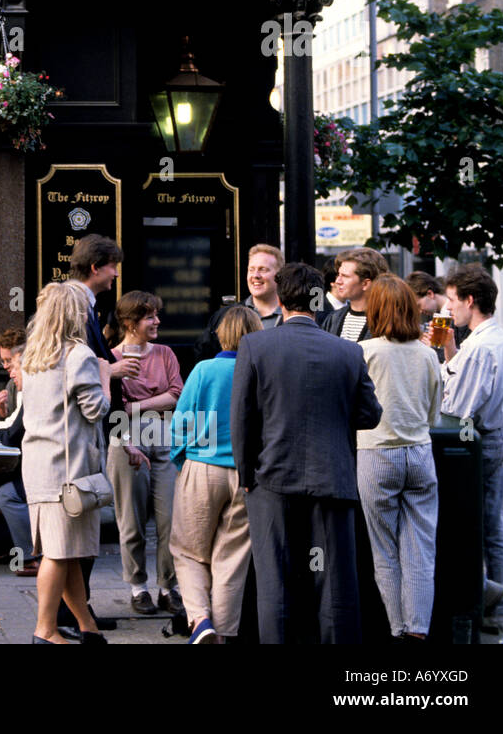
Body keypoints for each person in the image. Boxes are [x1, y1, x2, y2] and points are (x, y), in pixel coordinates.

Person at [231, 262, 382, 644]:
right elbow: (370, 414)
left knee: (275, 583)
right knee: (334, 585)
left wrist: (246, 475)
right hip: (332, 477)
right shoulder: (348, 352)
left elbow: (242, 418)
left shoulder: (256, 345)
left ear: (280, 298)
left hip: (270, 479)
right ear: (318, 299)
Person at [21, 280, 110, 644]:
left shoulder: (32, 357)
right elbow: (95, 409)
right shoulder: (79, 356)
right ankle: (45, 631)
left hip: (39, 466)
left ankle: (88, 627)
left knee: (66, 553)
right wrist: (105, 378)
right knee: (57, 556)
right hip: (69, 473)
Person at [356, 275, 442, 642]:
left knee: (384, 550)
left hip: (376, 454)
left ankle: (397, 628)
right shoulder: (427, 353)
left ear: (374, 309)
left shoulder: (365, 352)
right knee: (420, 550)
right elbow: (434, 415)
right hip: (420, 453)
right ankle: (419, 630)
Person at [170, 305, 262, 644]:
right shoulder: (259, 370)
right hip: (245, 473)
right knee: (231, 558)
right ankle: (222, 634)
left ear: (221, 334)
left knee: (189, 550)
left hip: (202, 467)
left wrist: (182, 462)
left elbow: (181, 423)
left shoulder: (203, 370)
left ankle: (200, 620)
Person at [65, 233, 136, 634]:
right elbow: (77, 357)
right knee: (78, 530)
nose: (114, 276)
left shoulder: (84, 304)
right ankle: (72, 616)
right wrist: (111, 368)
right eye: (112, 267)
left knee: (81, 531)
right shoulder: (77, 304)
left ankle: (79, 614)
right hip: (81, 428)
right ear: (96, 267)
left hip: (87, 426)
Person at [440, 264, 503, 637]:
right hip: (489, 438)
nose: (448, 308)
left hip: (475, 441)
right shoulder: (492, 339)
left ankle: (496, 602)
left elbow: (458, 408)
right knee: (491, 525)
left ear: (470, 301)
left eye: (453, 300)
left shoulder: (482, 347)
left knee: (477, 527)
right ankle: (501, 603)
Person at [106, 290, 184, 616]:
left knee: (171, 521)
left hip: (165, 439)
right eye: (150, 316)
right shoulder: (111, 359)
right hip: (125, 438)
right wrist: (151, 402)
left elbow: (176, 395)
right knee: (131, 520)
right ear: (129, 322)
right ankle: (138, 586)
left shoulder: (165, 353)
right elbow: (113, 405)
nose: (157, 321)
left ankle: (169, 586)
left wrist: (136, 405)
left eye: (156, 314)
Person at [0, 328, 35, 576]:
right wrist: (3, 414)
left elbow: (17, 431)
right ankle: (8, 547)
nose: (8, 368)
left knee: (7, 493)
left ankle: (29, 557)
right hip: (22, 457)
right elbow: (15, 424)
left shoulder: (33, 383)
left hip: (38, 464)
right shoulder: (13, 382)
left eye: (11, 362)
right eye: (4, 362)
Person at [194, 244, 286, 363]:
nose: (255, 276)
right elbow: (204, 357)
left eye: (263, 269)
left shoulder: (293, 316)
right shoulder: (224, 316)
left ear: (279, 275)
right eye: (251, 269)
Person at [322, 246, 390, 342]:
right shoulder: (333, 319)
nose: (338, 281)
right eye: (338, 275)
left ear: (365, 283)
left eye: (345, 276)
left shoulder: (388, 321)